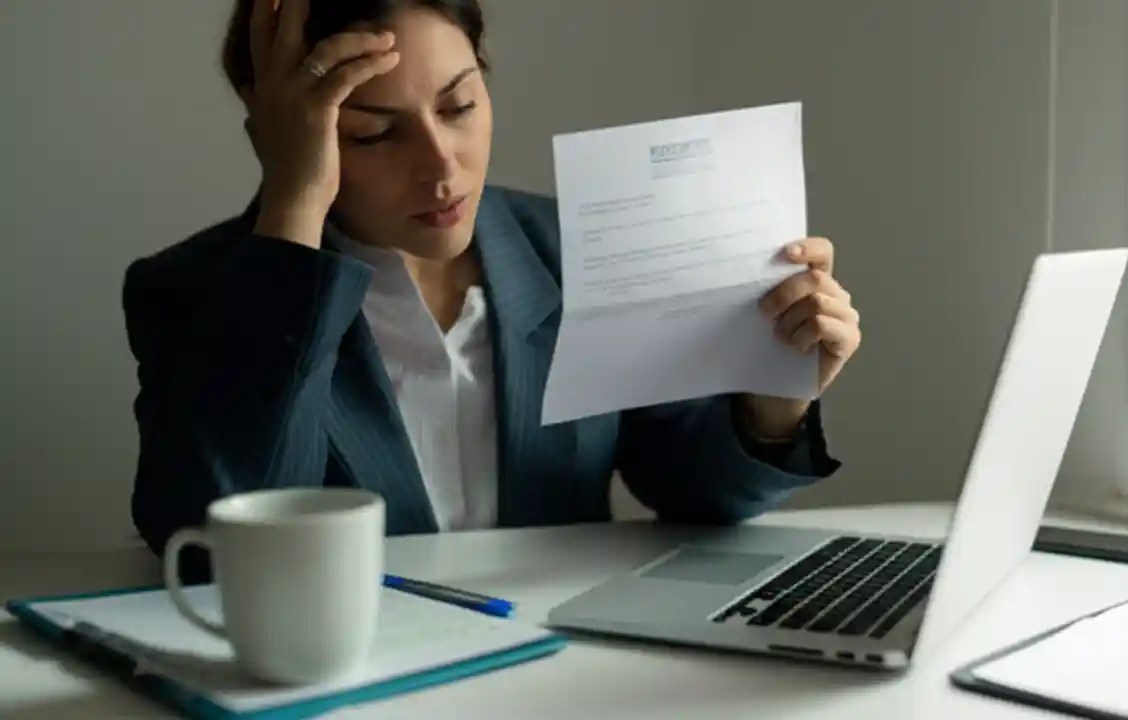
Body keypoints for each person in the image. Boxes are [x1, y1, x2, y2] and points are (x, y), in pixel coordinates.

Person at [124, 0, 861, 580]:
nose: (442, 165)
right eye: (375, 134)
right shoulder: (189, 291)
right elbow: (214, 545)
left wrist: (773, 403)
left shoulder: (573, 250)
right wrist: (293, 203)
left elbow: (694, 495)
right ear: (285, 138)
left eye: (458, 106)